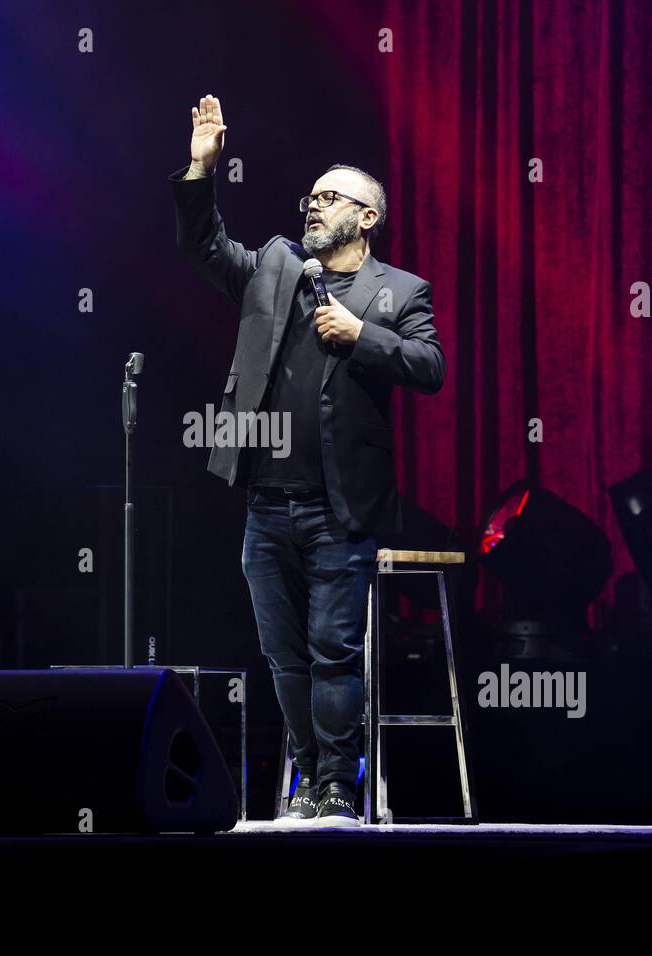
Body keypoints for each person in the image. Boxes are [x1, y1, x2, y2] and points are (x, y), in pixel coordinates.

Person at [170, 94, 445, 827]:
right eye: (312, 197)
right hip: (266, 498)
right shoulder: (273, 267)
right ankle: (306, 773)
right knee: (282, 654)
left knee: (331, 649)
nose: (315, 208)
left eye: (332, 198)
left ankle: (336, 787)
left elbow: (431, 367)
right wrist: (202, 172)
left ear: (369, 217)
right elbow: (203, 246)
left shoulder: (397, 292)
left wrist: (363, 335)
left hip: (339, 503)